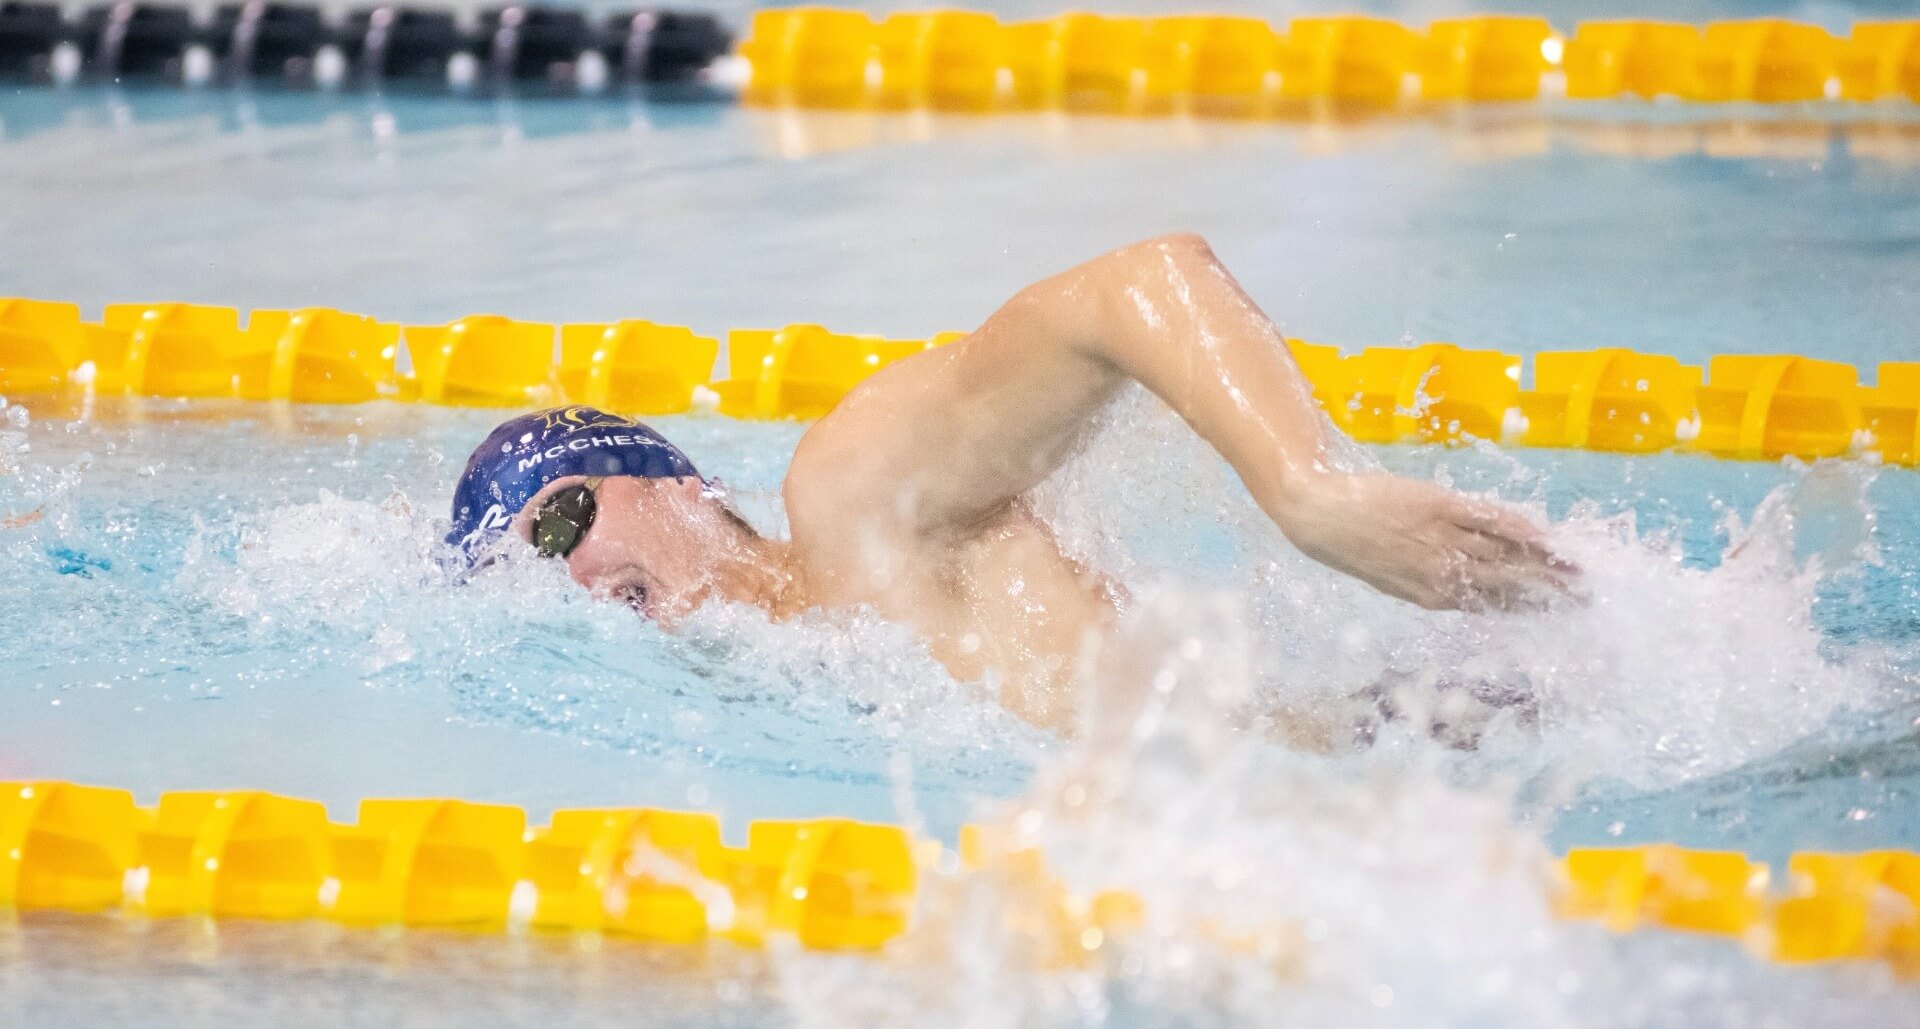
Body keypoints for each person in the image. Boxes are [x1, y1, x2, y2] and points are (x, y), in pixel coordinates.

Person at [448, 234, 1576, 731]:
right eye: (522, 580)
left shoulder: (851, 506)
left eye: (557, 529)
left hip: (1430, 748)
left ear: (673, 484)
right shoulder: (790, 693)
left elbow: (1136, 283)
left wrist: (1314, 494)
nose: (565, 584)